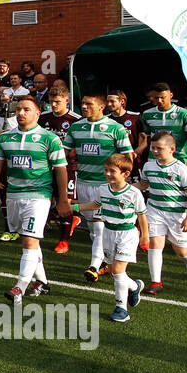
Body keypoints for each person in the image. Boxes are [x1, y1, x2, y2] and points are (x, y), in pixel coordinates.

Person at [0, 95, 71, 303]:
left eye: (27, 109)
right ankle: (42, 282)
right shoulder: (5, 138)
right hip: (14, 194)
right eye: (19, 109)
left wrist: (63, 198)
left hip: (39, 195)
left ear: (37, 113)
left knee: (30, 240)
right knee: (28, 238)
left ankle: (19, 287)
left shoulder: (50, 139)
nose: (21, 113)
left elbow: (61, 170)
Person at [64, 94, 133, 281]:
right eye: (83, 103)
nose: (84, 106)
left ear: (102, 106)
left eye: (89, 104)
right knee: (95, 230)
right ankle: (106, 262)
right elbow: (64, 153)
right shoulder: (76, 127)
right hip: (84, 182)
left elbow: (128, 157)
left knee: (99, 226)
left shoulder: (115, 128)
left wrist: (120, 182)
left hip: (106, 185)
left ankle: (94, 265)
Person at [75, 153, 148, 323]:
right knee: (113, 270)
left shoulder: (134, 193)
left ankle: (121, 309)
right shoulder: (103, 189)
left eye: (112, 171)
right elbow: (96, 204)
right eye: (106, 170)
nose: (107, 173)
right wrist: (76, 206)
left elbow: (142, 216)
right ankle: (135, 286)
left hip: (127, 234)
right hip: (108, 233)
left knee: (118, 271)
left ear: (125, 174)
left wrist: (145, 236)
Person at [137, 132, 187, 292]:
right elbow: (144, 185)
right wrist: (124, 187)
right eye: (153, 148)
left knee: (182, 251)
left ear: (172, 149)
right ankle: (155, 283)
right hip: (155, 211)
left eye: (159, 148)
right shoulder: (149, 166)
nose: (155, 151)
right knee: (155, 245)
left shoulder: (181, 168)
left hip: (177, 214)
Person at [39, 87, 81, 253]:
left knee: (66, 200)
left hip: (67, 167)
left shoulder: (75, 120)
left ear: (67, 101)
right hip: (45, 166)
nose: (54, 105)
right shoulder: (43, 118)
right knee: (47, 198)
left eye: (58, 101)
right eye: (51, 102)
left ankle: (64, 240)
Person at [136, 83, 187, 173]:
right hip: (154, 162)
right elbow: (146, 138)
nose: (159, 100)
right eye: (156, 98)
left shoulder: (184, 114)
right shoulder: (147, 114)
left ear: (171, 95)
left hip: (179, 161)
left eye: (163, 97)